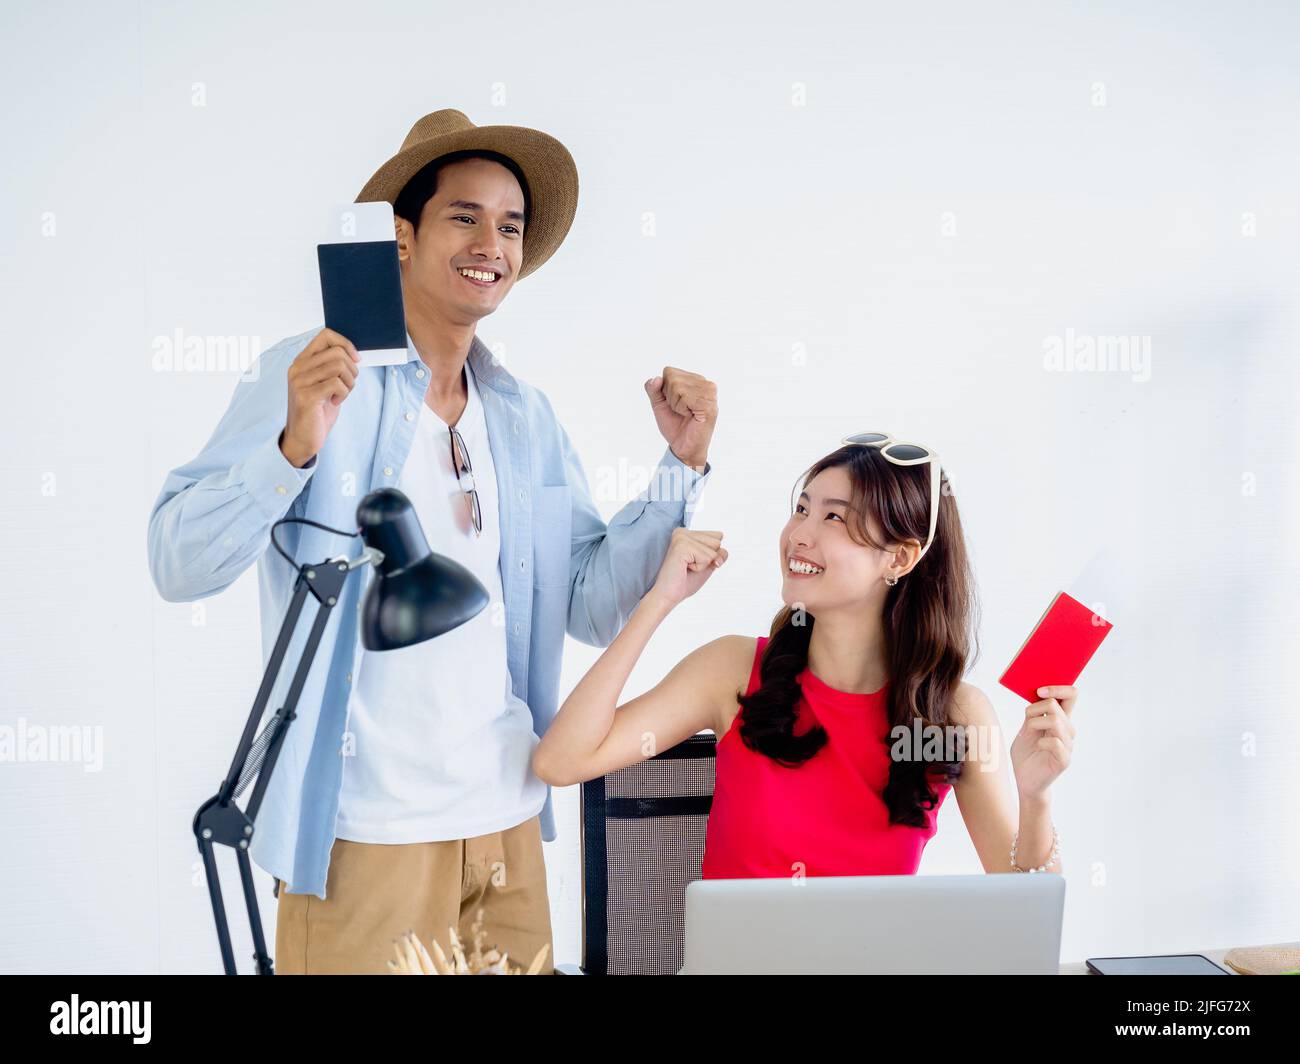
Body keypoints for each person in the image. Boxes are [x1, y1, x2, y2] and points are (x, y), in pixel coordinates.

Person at [147, 109, 719, 973]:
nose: (492, 240)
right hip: (363, 832)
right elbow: (177, 563)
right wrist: (292, 446)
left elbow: (593, 606)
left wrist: (678, 469)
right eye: (464, 216)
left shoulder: (523, 417)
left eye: (511, 224)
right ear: (401, 239)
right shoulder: (312, 376)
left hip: (505, 821)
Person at [533, 434, 1077, 879]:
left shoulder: (952, 715)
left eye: (834, 518)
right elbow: (561, 762)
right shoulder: (731, 672)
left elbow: (1023, 903)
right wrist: (660, 599)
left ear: (901, 558)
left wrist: (1036, 798)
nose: (799, 535)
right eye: (801, 509)